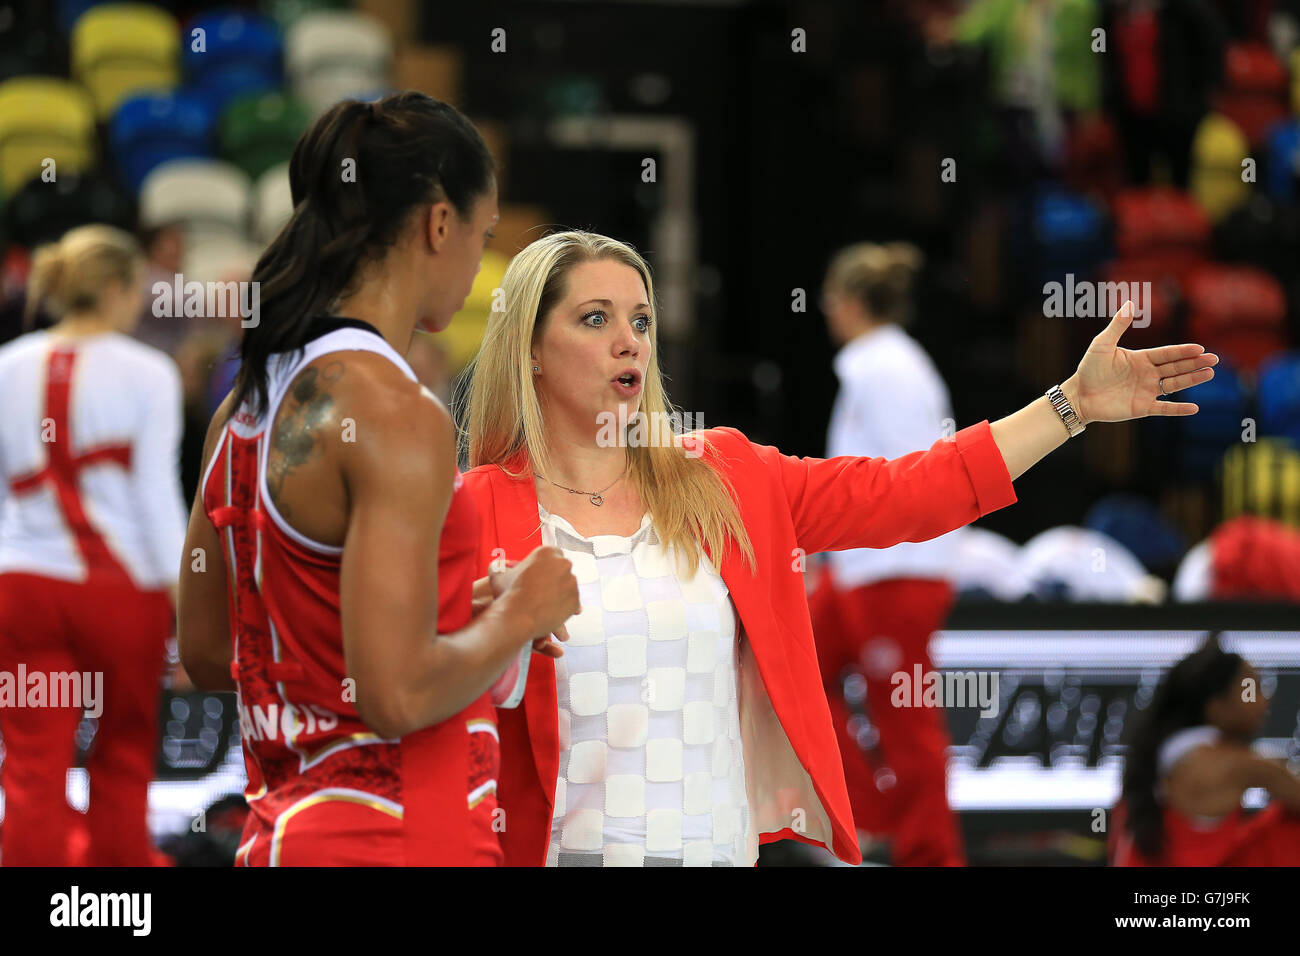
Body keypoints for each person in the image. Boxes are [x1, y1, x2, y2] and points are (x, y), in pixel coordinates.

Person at [461, 228, 1218, 867]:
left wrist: (1071, 406)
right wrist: (485, 640)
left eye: (641, 319)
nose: (628, 341)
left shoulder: (720, 476)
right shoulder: (474, 509)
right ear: (528, 348)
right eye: (595, 319)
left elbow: (915, 488)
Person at [176, 92, 578, 867]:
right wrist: (517, 615)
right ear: (437, 224)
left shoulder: (243, 407)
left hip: (283, 831)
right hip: (401, 835)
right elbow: (393, 696)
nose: (476, 269)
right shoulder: (398, 411)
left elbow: (207, 650)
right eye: (481, 237)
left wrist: (453, 615)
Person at [0, 224, 186, 865]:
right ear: (114, 288)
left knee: (31, 765)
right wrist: (183, 602)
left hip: (22, 586)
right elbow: (158, 502)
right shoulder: (149, 372)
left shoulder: (7, 365)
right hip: (118, 591)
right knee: (125, 753)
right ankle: (116, 904)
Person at [808, 240, 969, 866]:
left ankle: (931, 854)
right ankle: (867, 821)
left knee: (906, 722)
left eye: (828, 301)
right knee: (785, 672)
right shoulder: (872, 367)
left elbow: (919, 476)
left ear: (847, 303)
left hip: (897, 571)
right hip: (863, 569)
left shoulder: (888, 370)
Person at [1112, 634, 1300, 865]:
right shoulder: (1237, 765)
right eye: (1252, 689)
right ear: (1216, 706)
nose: (1266, 701)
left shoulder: (1160, 757)